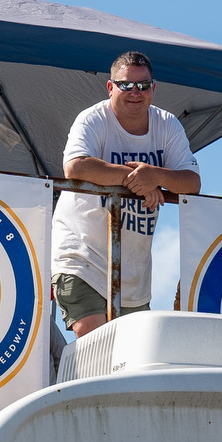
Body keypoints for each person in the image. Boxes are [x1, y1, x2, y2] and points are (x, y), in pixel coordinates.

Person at [53, 51, 200, 336]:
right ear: (110, 87)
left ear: (153, 89)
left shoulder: (167, 125)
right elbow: (75, 166)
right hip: (82, 256)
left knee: (127, 365)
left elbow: (192, 182)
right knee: (97, 346)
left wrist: (154, 176)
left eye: (143, 85)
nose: (135, 92)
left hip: (134, 273)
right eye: (126, 85)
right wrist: (136, 180)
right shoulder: (92, 119)